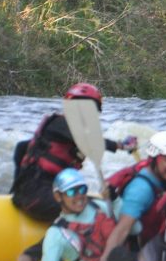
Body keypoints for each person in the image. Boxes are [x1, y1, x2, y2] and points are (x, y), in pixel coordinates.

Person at [11, 82, 136, 222]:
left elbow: (21, 148)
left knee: (99, 205)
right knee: (94, 212)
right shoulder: (60, 124)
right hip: (37, 198)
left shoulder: (62, 130)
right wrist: (121, 145)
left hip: (38, 194)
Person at [89, 130, 166, 261]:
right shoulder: (141, 189)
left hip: (159, 238)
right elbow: (122, 230)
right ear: (154, 159)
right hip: (134, 248)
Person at [38, 169, 140, 261]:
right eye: (71, 192)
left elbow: (136, 229)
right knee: (118, 255)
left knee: (123, 253)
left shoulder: (100, 206)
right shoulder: (56, 234)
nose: (79, 196)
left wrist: (115, 200)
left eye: (82, 189)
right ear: (58, 196)